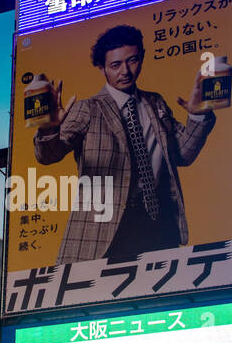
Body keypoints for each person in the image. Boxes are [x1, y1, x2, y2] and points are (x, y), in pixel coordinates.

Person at [33, 24, 220, 264]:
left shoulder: (155, 103)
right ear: (102, 68)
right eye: (115, 65)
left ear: (141, 58)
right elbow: (49, 155)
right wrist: (49, 128)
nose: (126, 71)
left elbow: (182, 154)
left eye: (132, 61)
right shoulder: (89, 108)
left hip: (159, 221)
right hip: (108, 228)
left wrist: (198, 116)